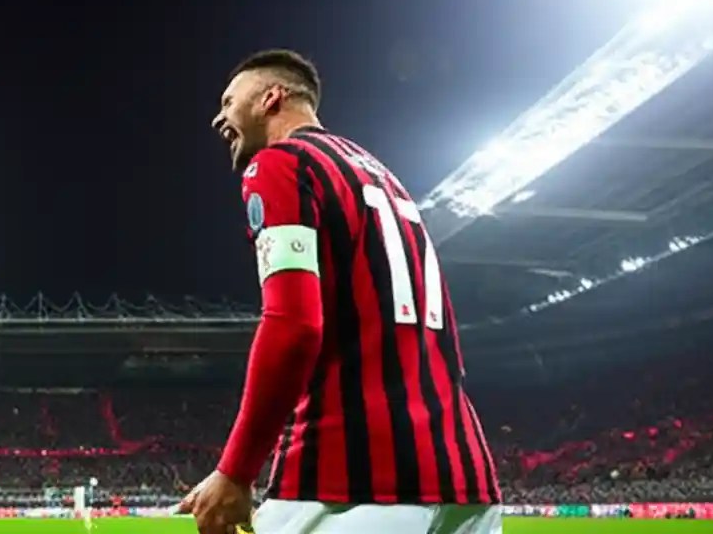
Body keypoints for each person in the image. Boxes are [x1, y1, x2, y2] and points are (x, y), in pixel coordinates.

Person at [181, 49, 501, 534]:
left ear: (271, 98)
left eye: (229, 101)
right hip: (464, 480)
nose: (218, 117)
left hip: (352, 485)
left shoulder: (281, 165)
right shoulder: (382, 176)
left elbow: (293, 325)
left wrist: (235, 471)